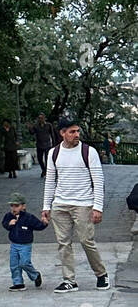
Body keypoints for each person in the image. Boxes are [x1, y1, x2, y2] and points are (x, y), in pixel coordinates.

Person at [42, 117, 107, 292]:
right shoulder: (54, 153)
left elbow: (98, 180)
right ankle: (69, 280)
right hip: (60, 204)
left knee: (86, 241)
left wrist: (98, 207)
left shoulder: (89, 152)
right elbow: (50, 181)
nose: (77, 134)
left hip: (83, 204)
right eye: (72, 131)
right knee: (63, 243)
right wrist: (46, 206)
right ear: (62, 133)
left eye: (78, 131)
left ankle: (101, 274)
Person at [2, 192, 45, 290]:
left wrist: (44, 223)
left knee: (24, 263)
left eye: (17, 206)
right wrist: (9, 224)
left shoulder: (28, 217)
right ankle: (18, 283)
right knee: (14, 265)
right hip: (14, 244)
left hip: (25, 245)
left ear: (23, 206)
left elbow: (38, 225)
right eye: (12, 206)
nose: (14, 208)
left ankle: (35, 275)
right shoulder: (9, 216)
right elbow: (4, 224)